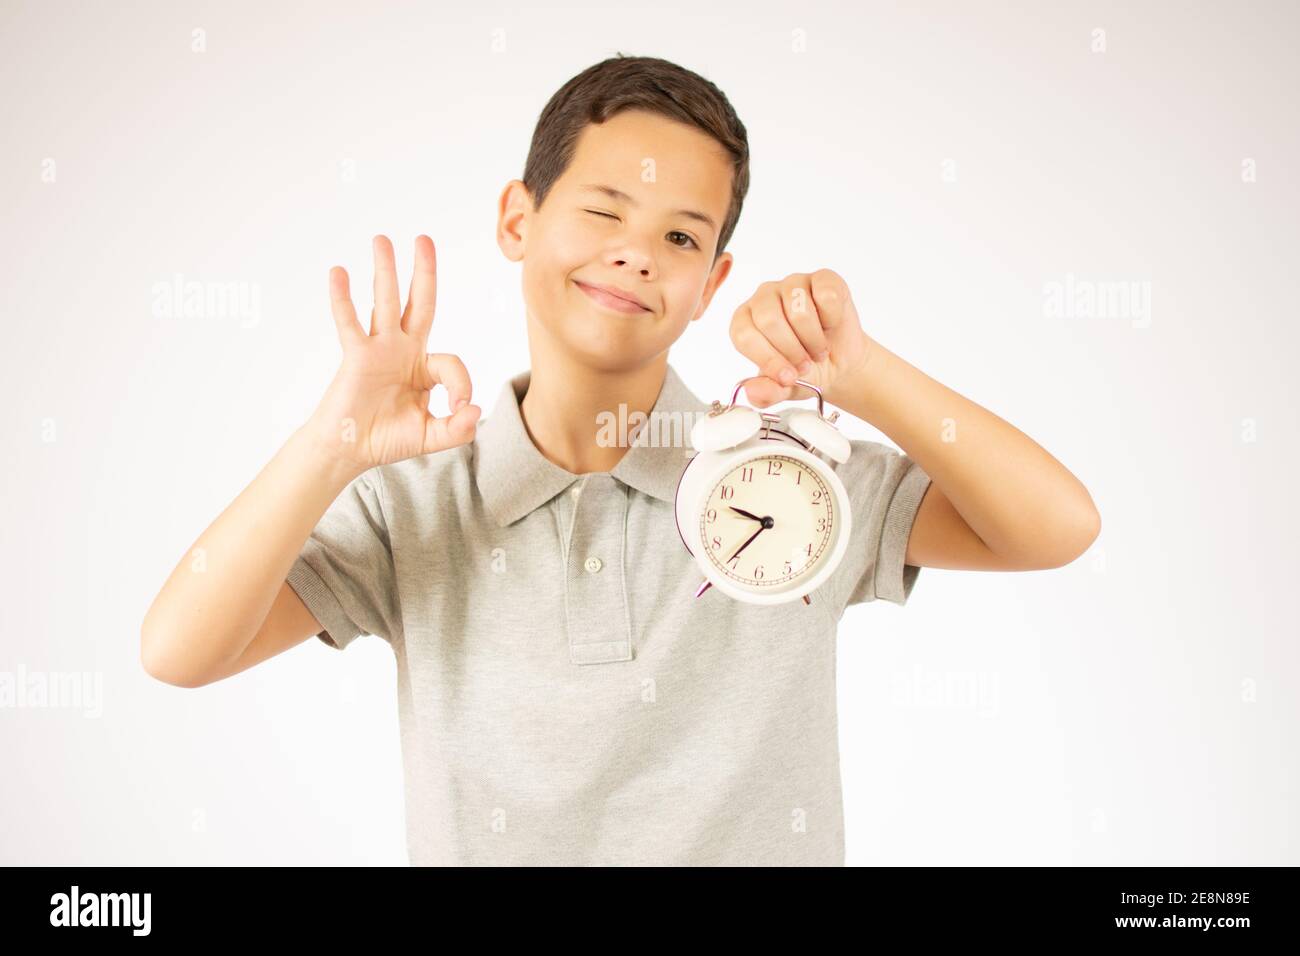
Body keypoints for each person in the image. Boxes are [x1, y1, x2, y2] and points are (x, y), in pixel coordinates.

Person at [141, 54, 1100, 865]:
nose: (638, 253)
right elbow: (178, 651)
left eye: (681, 236)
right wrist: (330, 443)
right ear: (519, 219)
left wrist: (862, 374)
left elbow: (1059, 527)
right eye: (604, 212)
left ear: (710, 283)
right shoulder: (418, 502)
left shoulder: (788, 475)